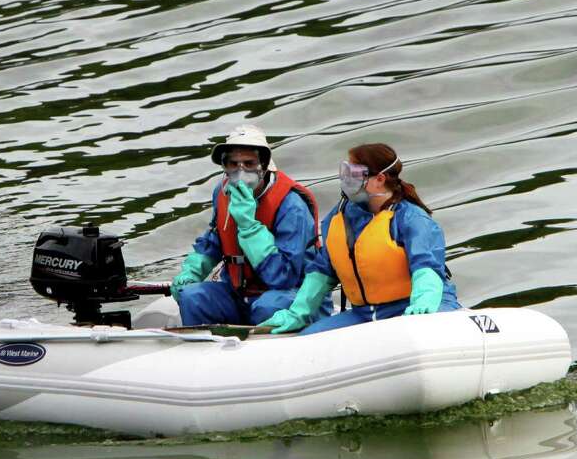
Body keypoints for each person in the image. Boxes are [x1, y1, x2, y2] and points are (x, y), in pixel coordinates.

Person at [261, 142, 460, 335]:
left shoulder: (411, 219)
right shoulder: (338, 218)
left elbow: (426, 266)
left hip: (412, 305)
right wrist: (297, 313)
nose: (346, 179)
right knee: (308, 340)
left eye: (354, 174)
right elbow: (322, 271)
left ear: (380, 179)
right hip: (364, 314)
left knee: (415, 333)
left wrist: (423, 304)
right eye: (346, 171)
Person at [169, 125, 330, 326]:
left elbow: (283, 277)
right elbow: (213, 241)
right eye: (233, 163)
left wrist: (249, 226)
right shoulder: (222, 193)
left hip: (289, 295)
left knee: (268, 306)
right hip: (240, 293)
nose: (240, 171)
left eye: (249, 163)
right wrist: (190, 272)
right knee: (192, 297)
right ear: (224, 166)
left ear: (263, 165)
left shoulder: (292, 206)